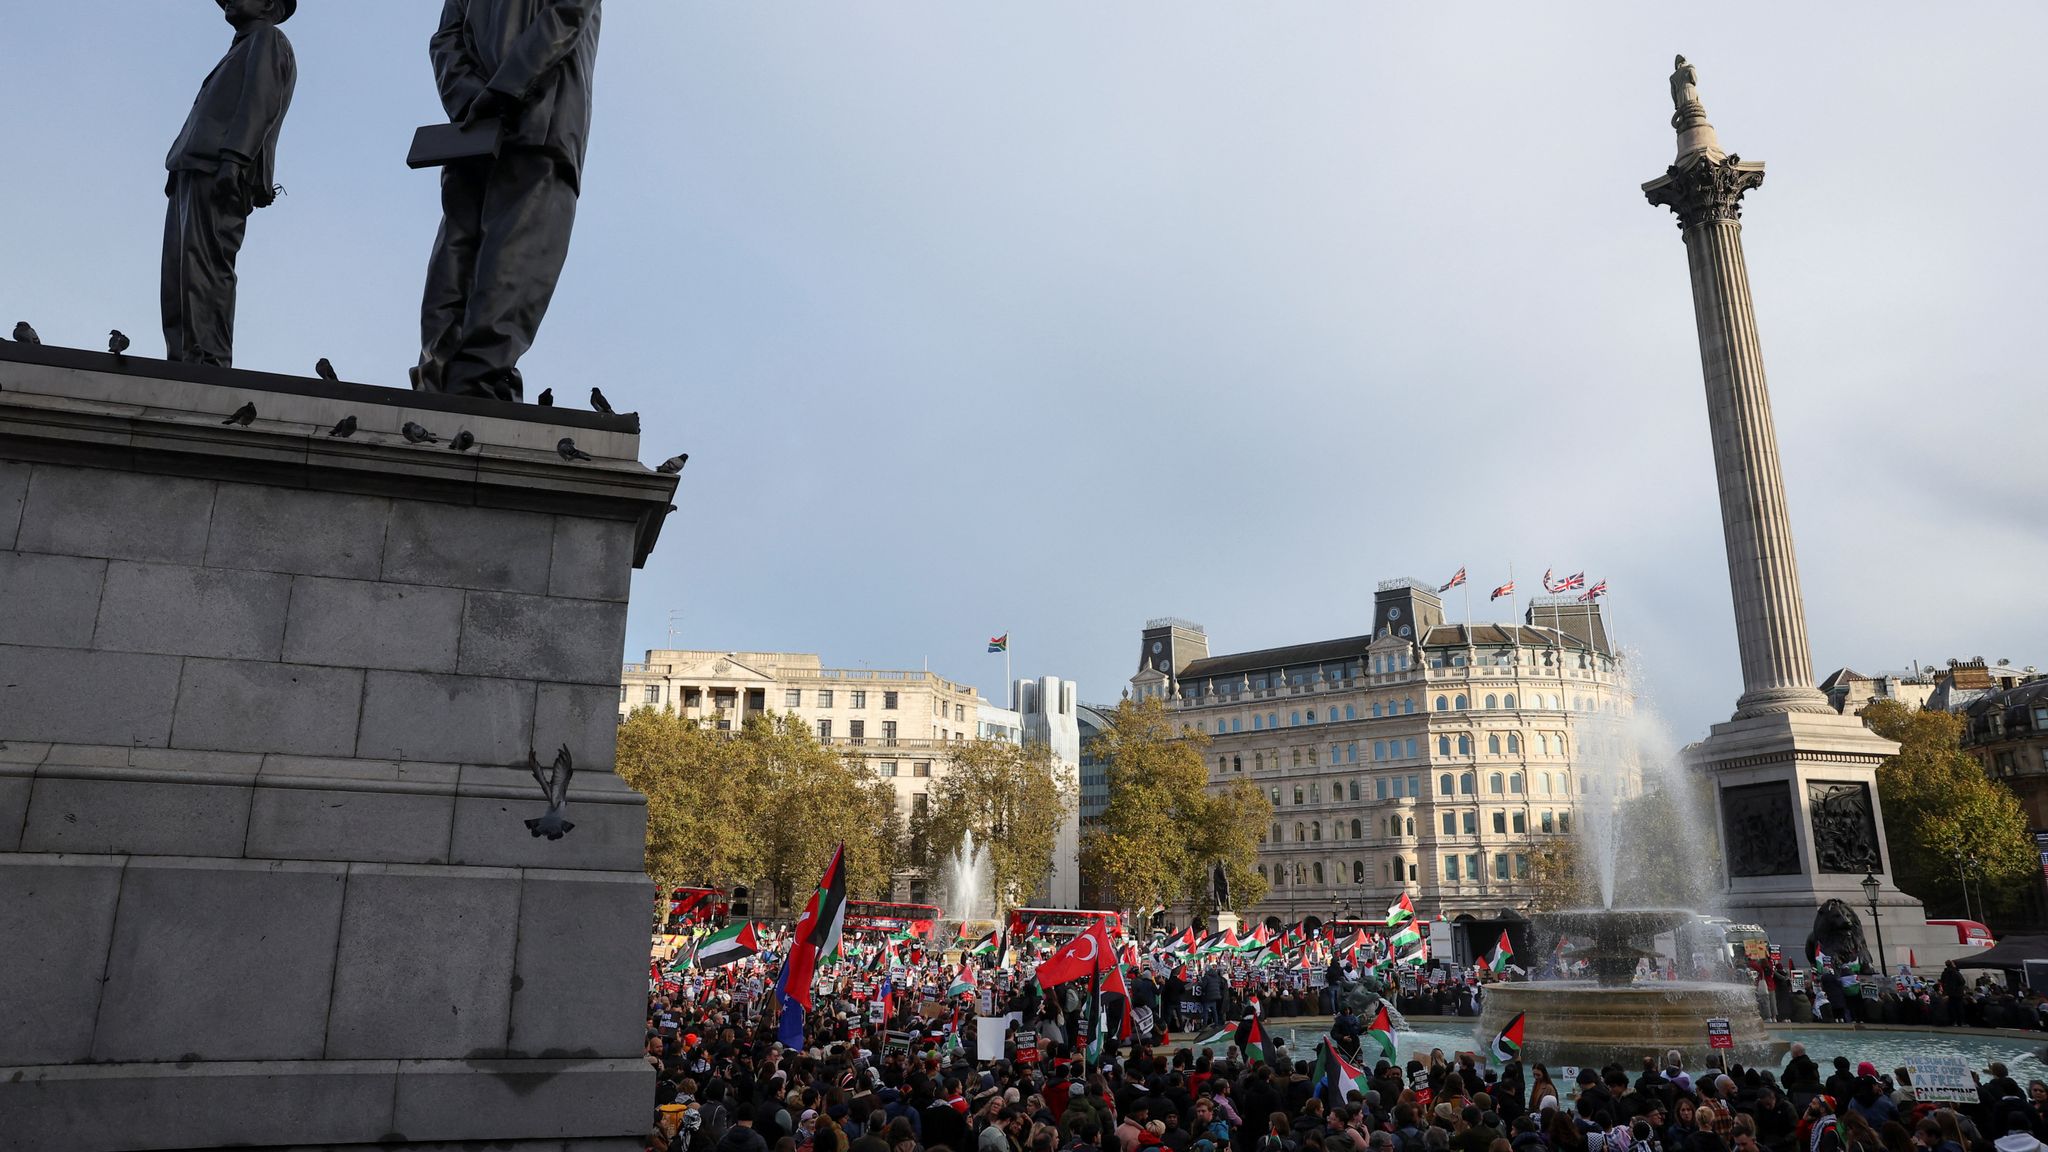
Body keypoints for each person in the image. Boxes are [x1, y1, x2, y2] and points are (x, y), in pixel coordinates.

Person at [414, 0, 603, 400]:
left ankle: (438, 372)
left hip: (473, 127)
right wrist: (504, 89)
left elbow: (445, 37)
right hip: (541, 119)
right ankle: (479, 378)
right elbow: (567, 14)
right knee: (519, 248)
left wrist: (469, 98)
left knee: (459, 244)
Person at [162, 0, 297, 367]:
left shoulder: (268, 40)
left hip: (219, 169)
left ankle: (208, 358)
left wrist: (234, 159)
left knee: (205, 267)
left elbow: (261, 100)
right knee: (179, 276)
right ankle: (184, 357)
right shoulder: (241, 48)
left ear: (270, 3)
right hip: (193, 167)